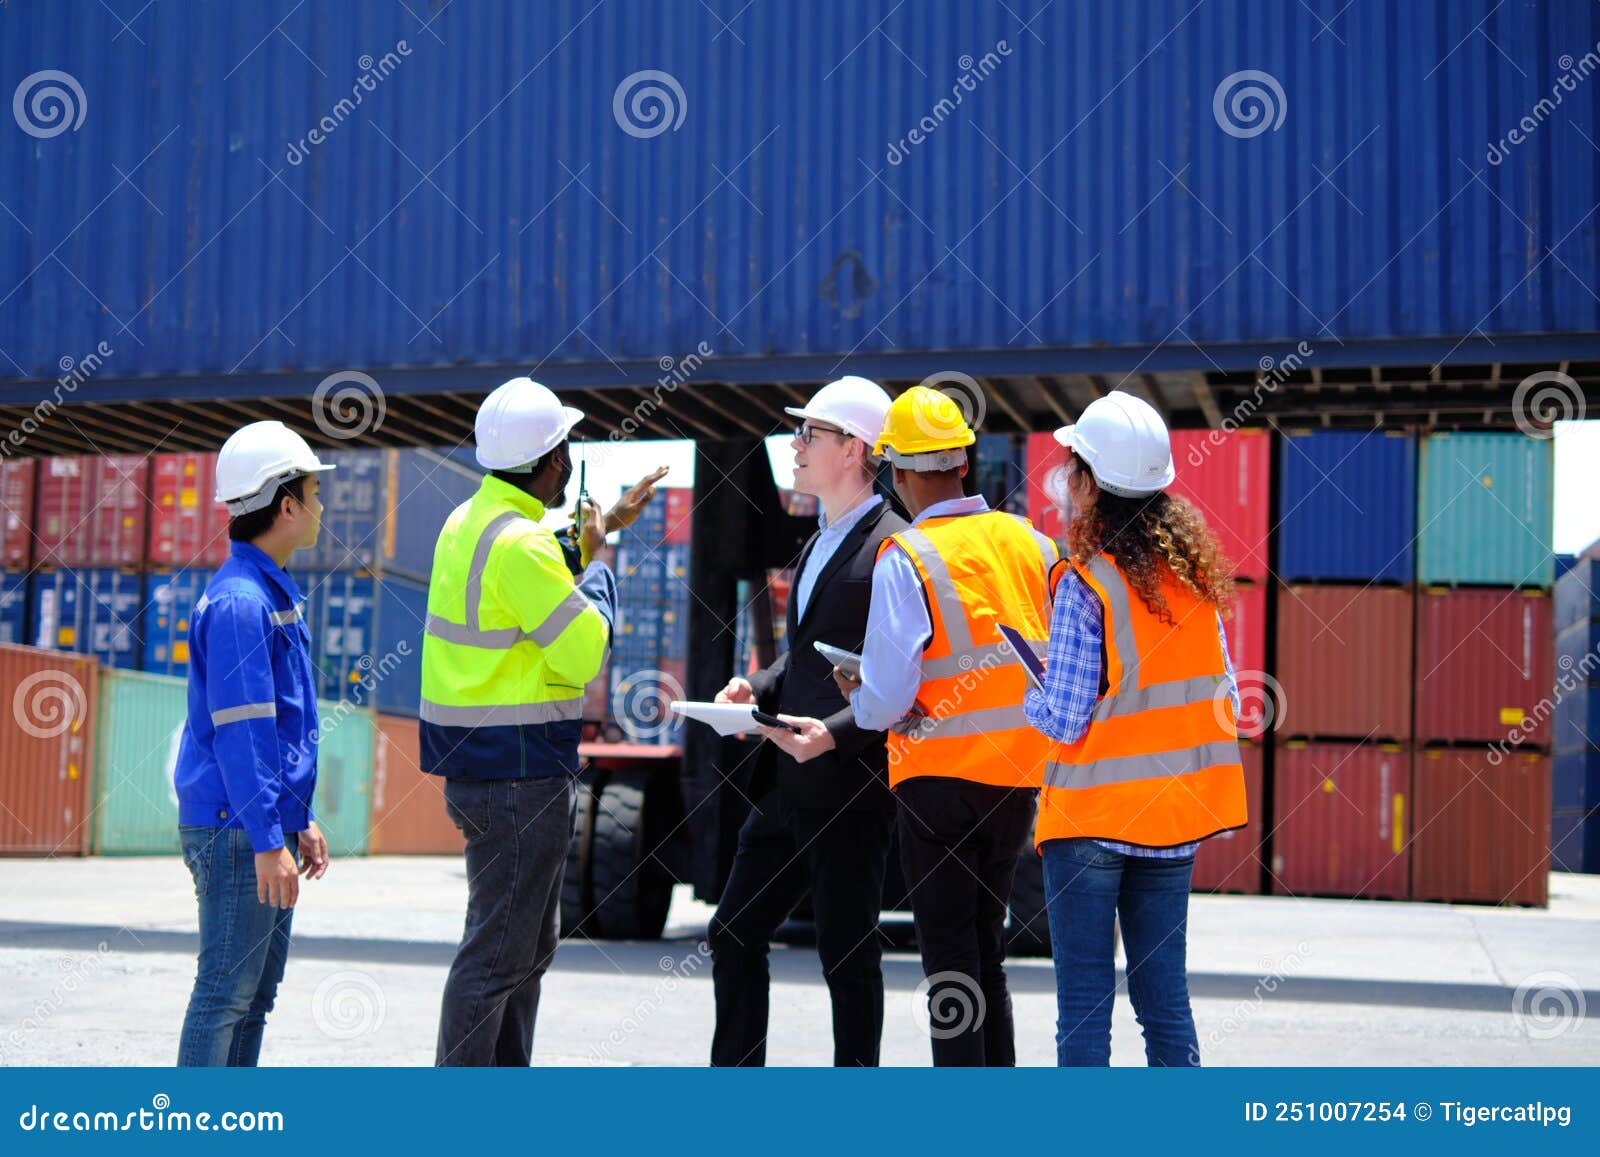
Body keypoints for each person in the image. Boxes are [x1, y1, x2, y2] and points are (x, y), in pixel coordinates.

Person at [421, 376, 661, 1067]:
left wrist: (598, 530)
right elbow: (584, 651)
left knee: (522, 948)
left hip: (484, 769)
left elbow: (528, 575)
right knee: (500, 955)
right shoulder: (522, 544)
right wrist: (601, 566)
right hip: (518, 776)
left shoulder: (469, 522)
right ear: (555, 460)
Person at [1024, 390, 1247, 1068]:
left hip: (1090, 821)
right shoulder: (1196, 586)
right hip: (1172, 822)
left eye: (1072, 469)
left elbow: (1064, 716)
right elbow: (1225, 697)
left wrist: (1031, 689)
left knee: (1085, 1006)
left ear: (1088, 485)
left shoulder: (1085, 582)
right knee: (1165, 1001)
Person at [838, 385, 1057, 1067]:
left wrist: (859, 695)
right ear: (964, 461)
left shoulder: (906, 555)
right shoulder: (1033, 543)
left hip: (936, 782)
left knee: (951, 963)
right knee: (987, 951)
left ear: (897, 473)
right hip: (1016, 781)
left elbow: (886, 699)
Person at [712, 375, 906, 1066]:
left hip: (849, 788)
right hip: (785, 785)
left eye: (808, 434)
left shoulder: (894, 546)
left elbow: (903, 680)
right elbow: (808, 655)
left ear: (853, 449)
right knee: (732, 932)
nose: (793, 445)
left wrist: (838, 735)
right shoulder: (822, 538)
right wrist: (756, 684)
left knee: (847, 959)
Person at [174, 420, 336, 1066]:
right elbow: (244, 735)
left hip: (258, 823)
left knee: (254, 998)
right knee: (224, 995)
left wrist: (298, 817)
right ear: (286, 505)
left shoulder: (267, 590)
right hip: (238, 828)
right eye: (314, 493)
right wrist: (269, 840)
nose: (321, 505)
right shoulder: (242, 602)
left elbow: (279, 725)